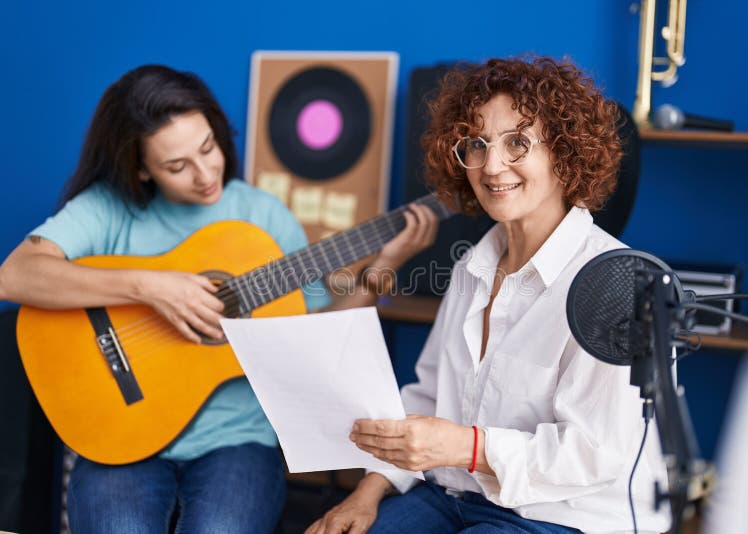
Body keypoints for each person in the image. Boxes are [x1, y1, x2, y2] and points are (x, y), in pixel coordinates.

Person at [0, 65, 438, 533]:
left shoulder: (262, 215)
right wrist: (151, 288)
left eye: (207, 147)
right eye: (176, 166)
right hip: (119, 435)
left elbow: (317, 340)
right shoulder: (110, 207)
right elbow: (14, 276)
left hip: (238, 440)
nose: (206, 173)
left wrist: (384, 267)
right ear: (140, 167)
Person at [307, 56, 671, 534]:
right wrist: (367, 492)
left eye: (517, 143)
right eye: (476, 145)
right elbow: (427, 393)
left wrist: (467, 448)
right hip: (455, 494)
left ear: (564, 154)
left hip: (564, 515)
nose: (491, 166)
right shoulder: (471, 266)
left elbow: (594, 453)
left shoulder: (614, 286)